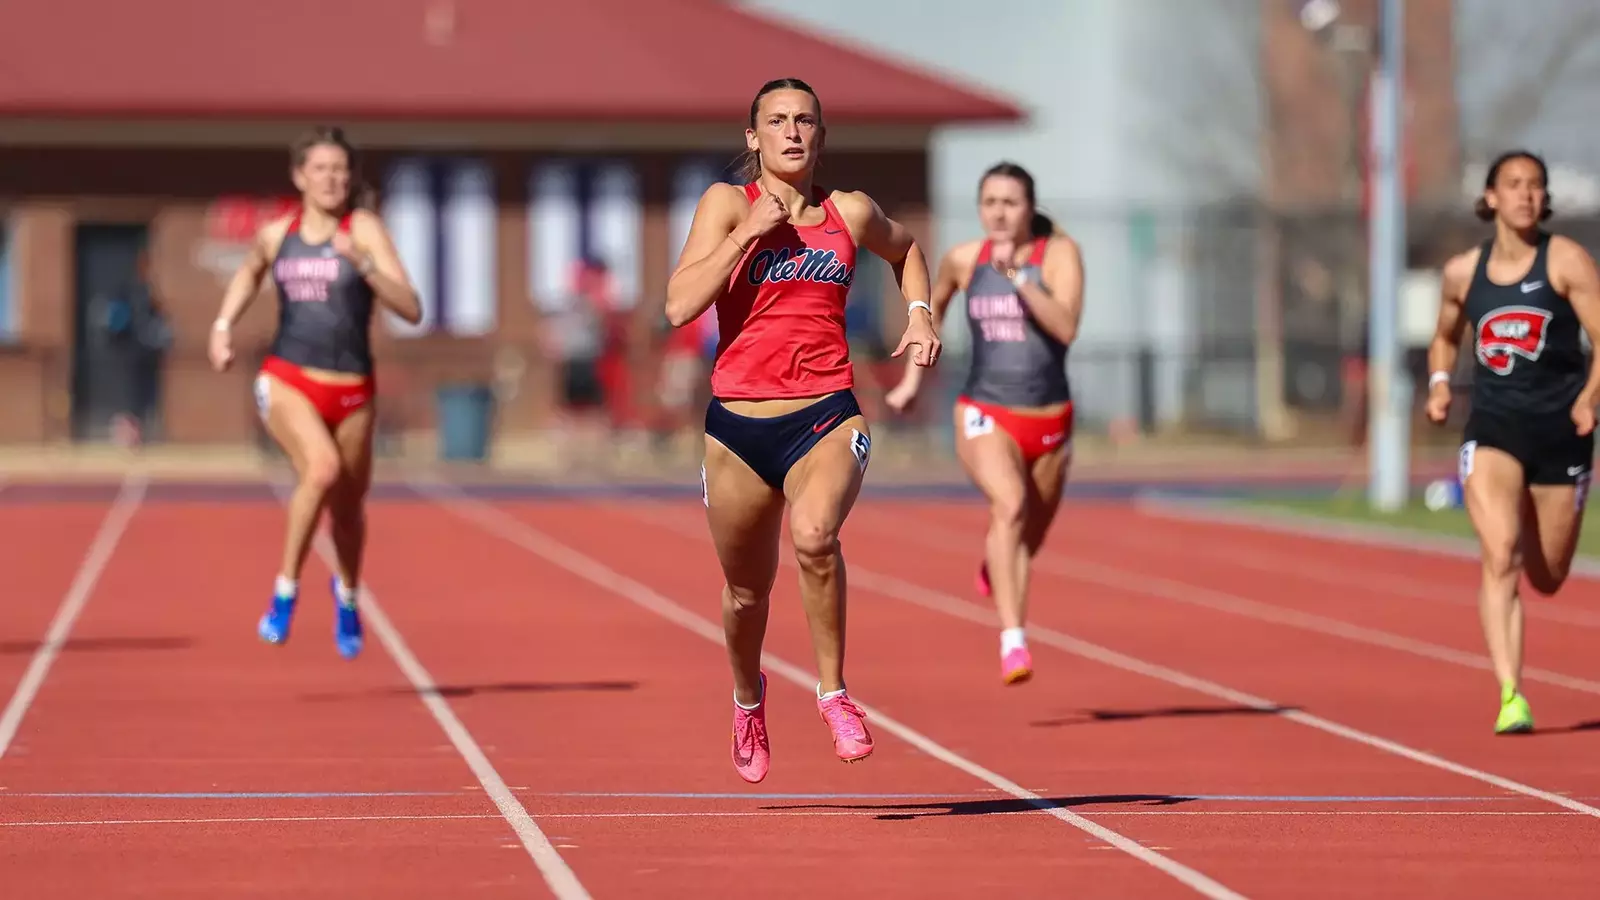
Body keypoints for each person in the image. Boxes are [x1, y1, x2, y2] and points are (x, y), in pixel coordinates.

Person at [666, 77, 940, 783]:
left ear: (821, 136)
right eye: (777, 122)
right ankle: (747, 699)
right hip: (737, 427)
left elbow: (907, 250)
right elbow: (677, 305)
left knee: (816, 536)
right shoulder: (727, 205)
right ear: (752, 138)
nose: (792, 132)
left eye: (805, 121)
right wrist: (744, 239)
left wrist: (919, 313)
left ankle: (834, 693)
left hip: (825, 413)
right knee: (746, 594)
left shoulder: (849, 212)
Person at [208, 126, 422, 659]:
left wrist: (364, 264)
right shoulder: (278, 234)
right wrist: (221, 326)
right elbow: (249, 273)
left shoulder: (364, 229)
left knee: (348, 511)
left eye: (341, 170)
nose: (332, 179)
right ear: (300, 176)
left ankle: (347, 594)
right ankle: (285, 591)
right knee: (320, 470)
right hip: (289, 378)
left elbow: (411, 308)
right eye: (321, 169)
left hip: (353, 390)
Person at [886, 161, 1084, 685]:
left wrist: (1017, 277)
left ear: (1030, 207)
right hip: (985, 410)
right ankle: (1013, 641)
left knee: (1026, 539)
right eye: (990, 202)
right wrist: (910, 382)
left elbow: (1065, 328)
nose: (999, 212)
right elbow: (926, 317)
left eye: (1011, 203)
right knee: (1010, 504)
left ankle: (994, 563)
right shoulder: (962, 260)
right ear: (980, 208)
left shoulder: (1057, 255)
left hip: (1049, 419)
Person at [1425, 149, 1600, 734]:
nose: (1526, 195)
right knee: (1500, 555)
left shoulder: (1566, 262)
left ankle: (1532, 519)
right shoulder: (1461, 273)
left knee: (1546, 576)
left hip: (1561, 434)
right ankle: (1510, 693)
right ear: (1491, 197)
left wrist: (1589, 397)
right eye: (1514, 184)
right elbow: (1445, 337)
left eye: (1536, 186)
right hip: (1494, 430)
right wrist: (1441, 384)